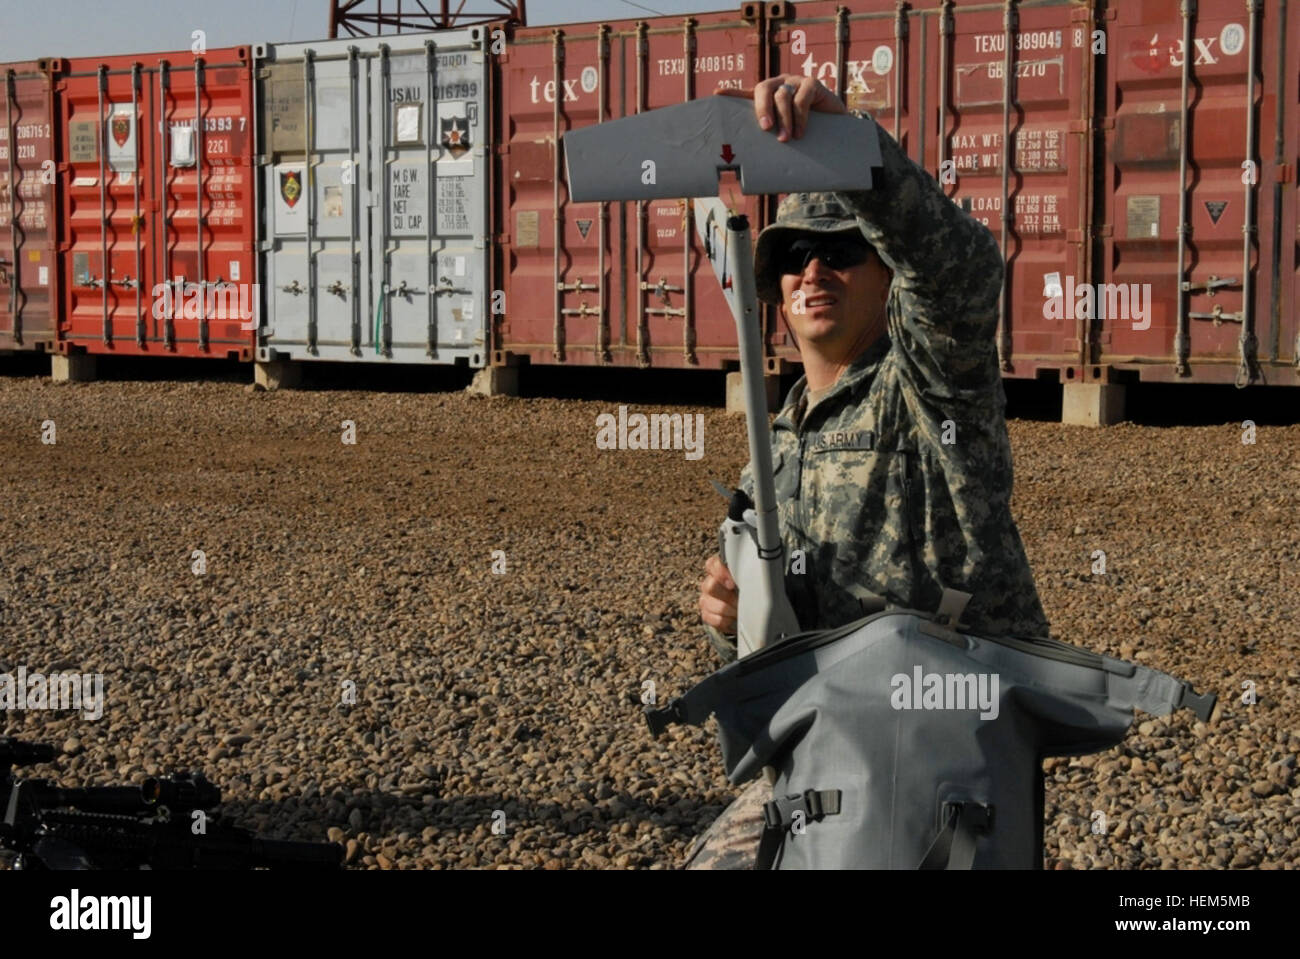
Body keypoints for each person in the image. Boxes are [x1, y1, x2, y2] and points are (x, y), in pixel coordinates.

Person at [685, 74, 1051, 869]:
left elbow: (960, 272)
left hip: (945, 746)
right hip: (824, 748)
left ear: (885, 270)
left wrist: (851, 147)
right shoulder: (770, 447)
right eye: (791, 256)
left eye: (842, 249)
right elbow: (764, 665)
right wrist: (734, 619)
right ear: (772, 286)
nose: (813, 271)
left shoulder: (929, 385)